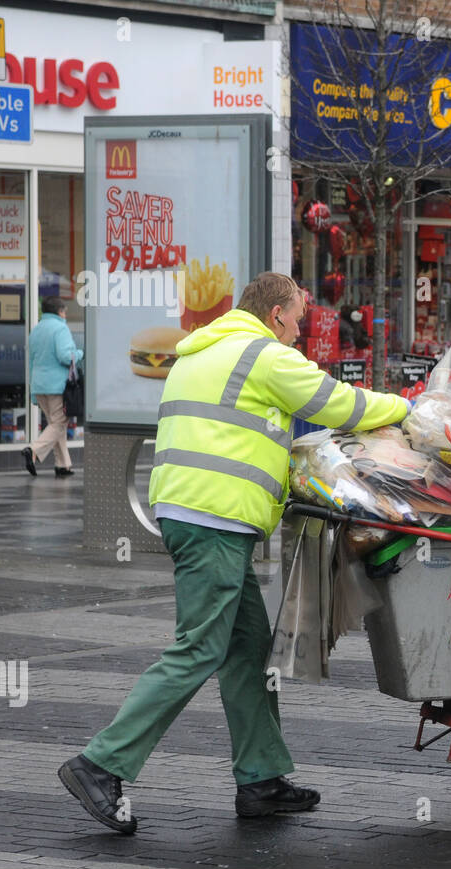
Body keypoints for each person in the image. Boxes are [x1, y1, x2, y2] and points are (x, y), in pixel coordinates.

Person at [59, 272, 411, 835]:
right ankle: (100, 764)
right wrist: (408, 409)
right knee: (198, 649)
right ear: (276, 314)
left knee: (246, 648)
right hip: (213, 521)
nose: (300, 330)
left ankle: (261, 778)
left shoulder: (207, 348)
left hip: (198, 515)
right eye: (298, 317)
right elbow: (338, 404)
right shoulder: (262, 355)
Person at [23, 300, 83, 478]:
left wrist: (33, 391)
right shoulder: (60, 329)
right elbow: (66, 356)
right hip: (56, 386)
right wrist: (80, 353)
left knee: (55, 424)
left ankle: (63, 465)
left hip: (39, 385)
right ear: (60, 311)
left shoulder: (36, 329)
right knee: (59, 423)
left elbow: (31, 361)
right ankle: (33, 450)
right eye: (64, 311)